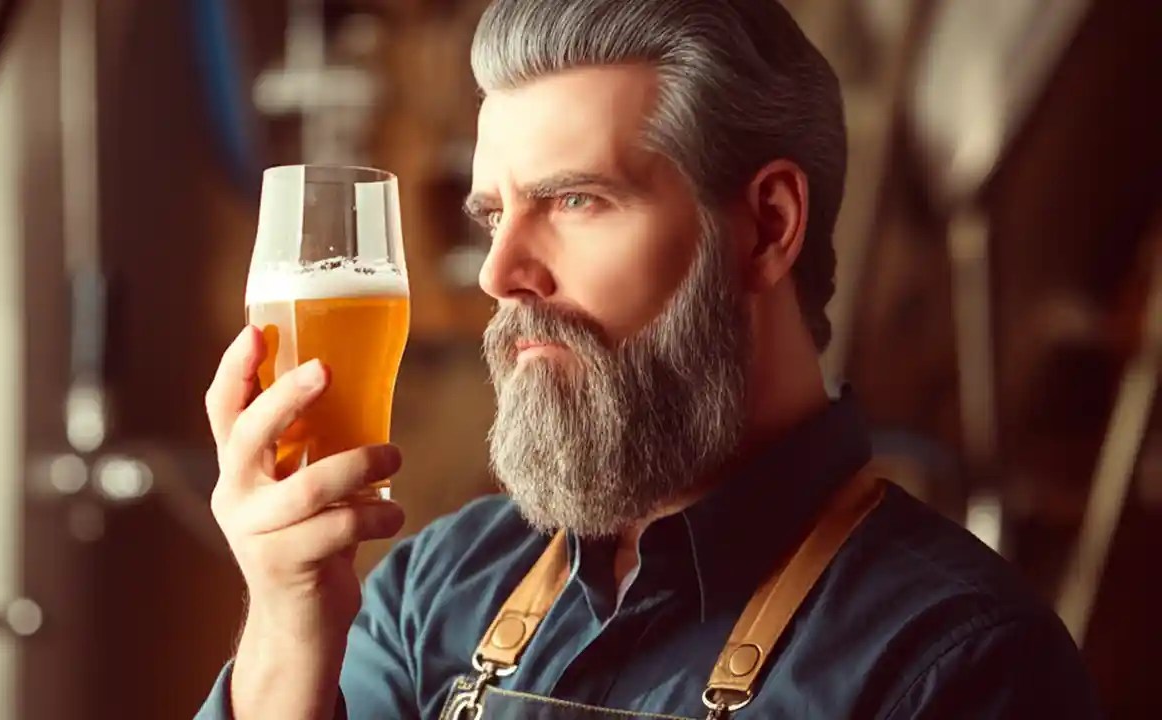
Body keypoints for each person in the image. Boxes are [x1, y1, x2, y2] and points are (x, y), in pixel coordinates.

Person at [196, 0, 1099, 717]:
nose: (504, 273)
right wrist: (286, 620)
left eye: (576, 201)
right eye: (491, 217)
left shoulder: (959, 665)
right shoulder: (431, 592)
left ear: (768, 226)